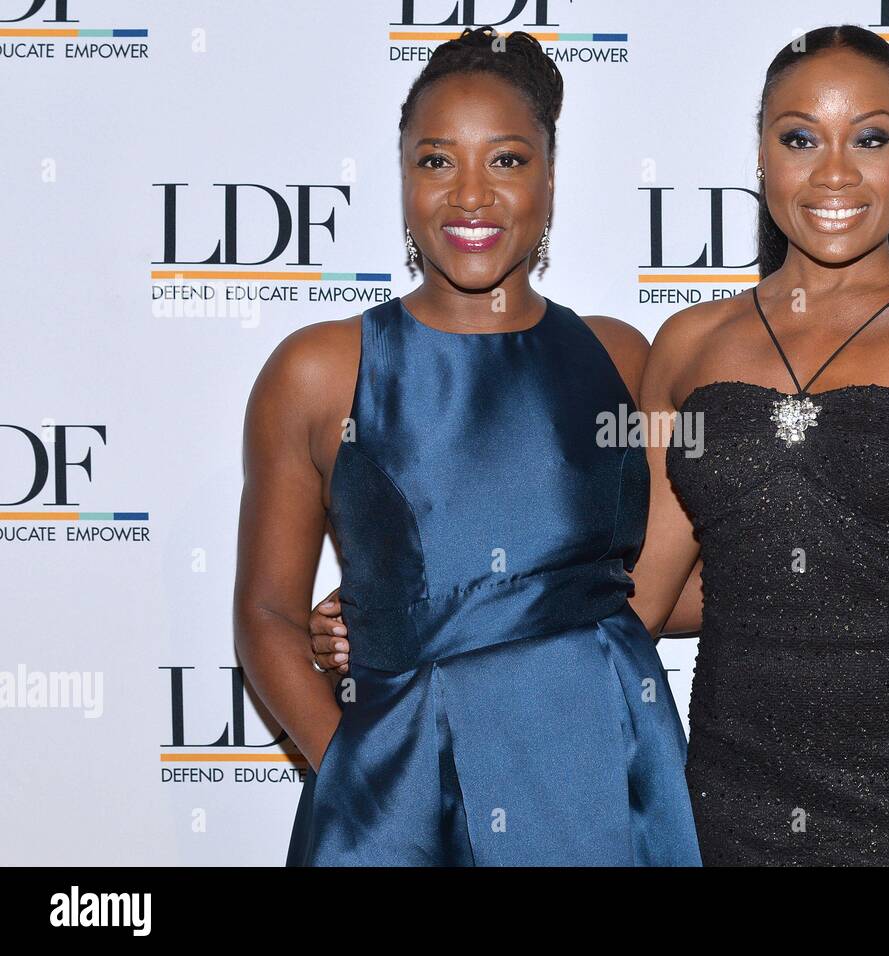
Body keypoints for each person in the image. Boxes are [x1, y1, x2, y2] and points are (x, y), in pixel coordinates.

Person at [311, 24, 889, 866]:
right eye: (800, 138)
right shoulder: (687, 347)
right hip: (737, 805)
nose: (835, 172)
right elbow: (631, 597)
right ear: (761, 156)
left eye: (870, 137)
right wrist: (416, 619)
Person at [232, 27, 701, 866]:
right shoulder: (320, 370)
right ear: (404, 176)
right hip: (399, 789)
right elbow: (265, 614)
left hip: (597, 778)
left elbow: (667, 583)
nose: (471, 196)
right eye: (437, 161)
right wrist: (357, 772)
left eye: (508, 160)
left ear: (550, 180)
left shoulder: (621, 358)